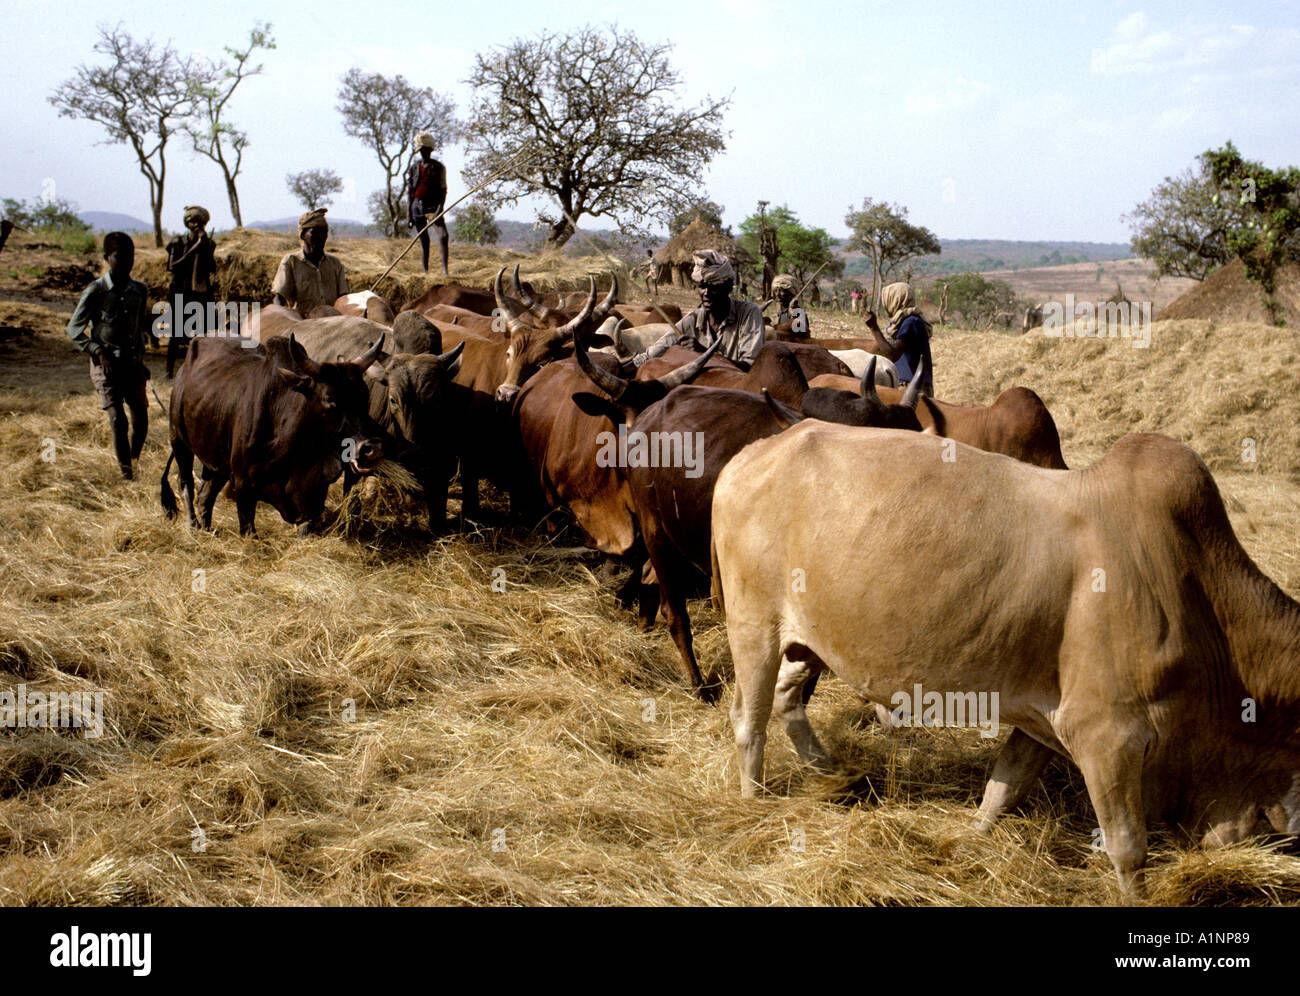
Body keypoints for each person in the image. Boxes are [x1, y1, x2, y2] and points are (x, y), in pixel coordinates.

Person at [67, 232, 152, 480]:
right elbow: (73, 328)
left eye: (130, 257)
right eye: (119, 257)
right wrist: (96, 350)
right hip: (106, 366)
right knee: (118, 420)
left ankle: (133, 460)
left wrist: (141, 362)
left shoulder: (139, 290)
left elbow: (138, 331)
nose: (126, 262)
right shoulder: (96, 291)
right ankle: (127, 475)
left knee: (142, 421)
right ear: (107, 258)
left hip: (132, 366)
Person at [632, 249, 765, 370]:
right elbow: (658, 349)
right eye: (702, 286)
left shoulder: (749, 314)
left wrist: (704, 353)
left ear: (728, 287)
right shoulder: (693, 319)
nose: (706, 293)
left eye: (713, 287)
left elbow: (750, 367)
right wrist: (630, 365)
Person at [164, 205, 217, 377]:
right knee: (176, 334)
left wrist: (206, 246)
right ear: (187, 223)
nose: (196, 225)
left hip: (201, 294)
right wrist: (195, 247)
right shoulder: (177, 242)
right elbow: (172, 266)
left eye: (199, 222)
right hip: (182, 293)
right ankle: (168, 371)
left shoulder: (209, 244)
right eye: (193, 222)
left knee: (205, 334)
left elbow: (212, 268)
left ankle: (202, 371)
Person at [272, 209, 348, 316]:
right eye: (314, 232)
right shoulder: (291, 262)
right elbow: (279, 298)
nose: (320, 237)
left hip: (333, 323)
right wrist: (281, 316)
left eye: (323, 232)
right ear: (303, 235)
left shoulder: (335, 264)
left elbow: (344, 298)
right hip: (304, 323)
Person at [864, 281, 934, 395]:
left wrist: (874, 328)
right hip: (912, 384)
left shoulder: (911, 322)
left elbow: (893, 354)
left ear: (896, 300)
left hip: (914, 388)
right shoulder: (906, 321)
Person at [406, 131, 449, 274]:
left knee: (443, 235)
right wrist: (409, 216)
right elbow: (410, 193)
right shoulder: (414, 168)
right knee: (424, 240)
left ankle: (445, 270)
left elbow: (443, 190)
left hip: (432, 206)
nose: (424, 153)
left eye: (426, 150)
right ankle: (425, 271)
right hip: (416, 206)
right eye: (422, 150)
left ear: (431, 150)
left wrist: (440, 208)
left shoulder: (438, 168)